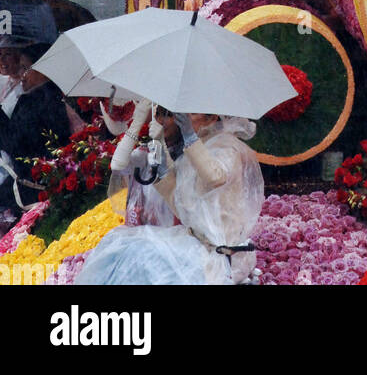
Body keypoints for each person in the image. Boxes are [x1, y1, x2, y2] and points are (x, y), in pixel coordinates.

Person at [76, 104, 264, 285]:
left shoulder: (226, 145)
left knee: (148, 262)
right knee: (122, 248)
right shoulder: (194, 149)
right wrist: (160, 152)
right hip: (194, 243)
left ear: (211, 117)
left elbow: (215, 177)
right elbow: (181, 205)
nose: (180, 120)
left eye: (188, 114)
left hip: (222, 255)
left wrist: (190, 136)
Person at [0, 41, 71, 221]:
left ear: (44, 69)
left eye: (26, 68)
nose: (22, 76)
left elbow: (15, 145)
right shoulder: (48, 97)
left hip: (36, 189)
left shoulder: (38, 102)